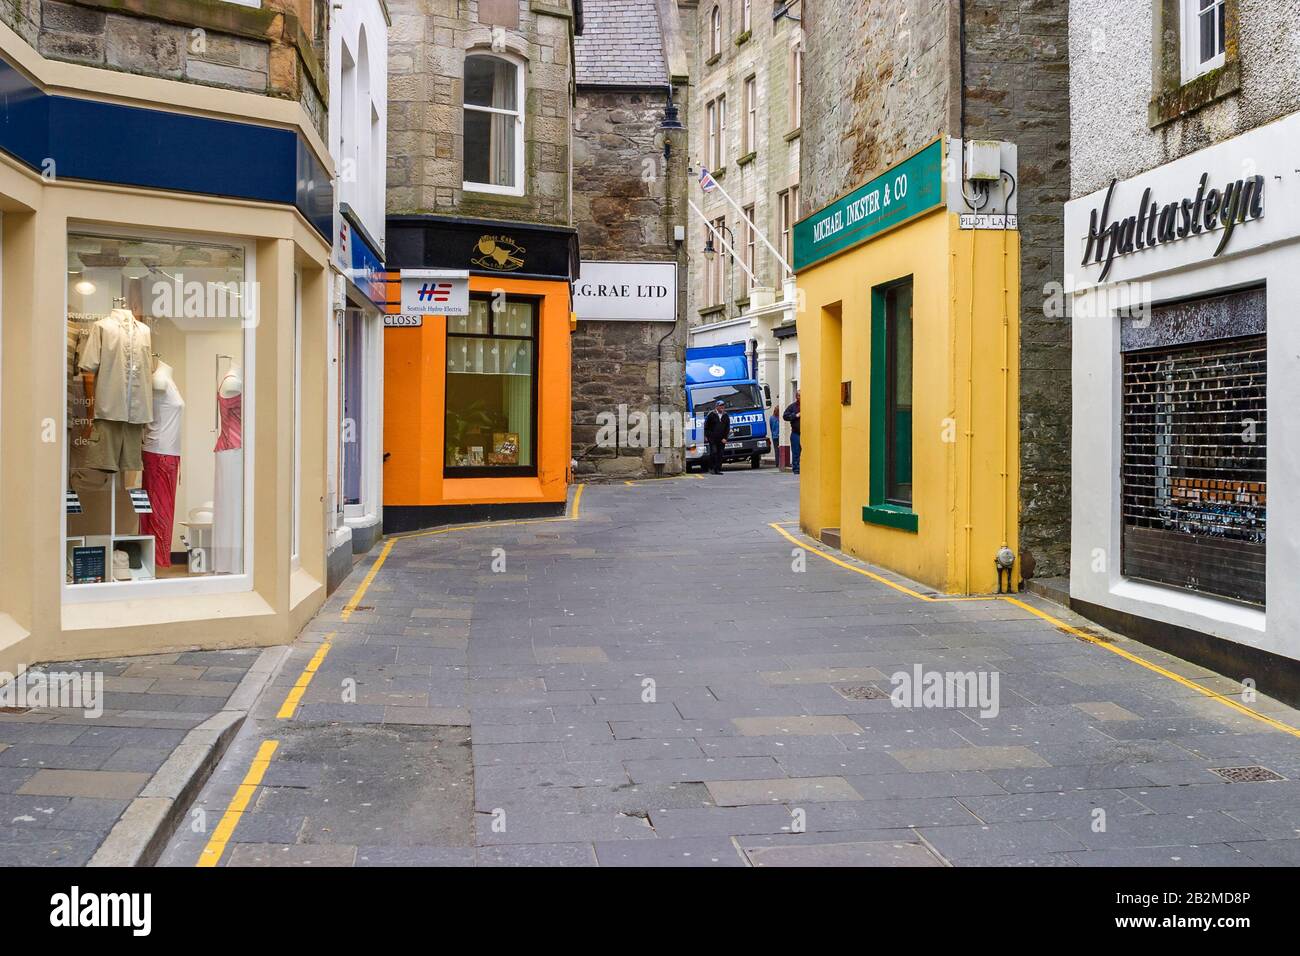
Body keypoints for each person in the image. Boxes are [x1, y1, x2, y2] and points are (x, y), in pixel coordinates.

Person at [703, 399, 731, 475]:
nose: (722, 407)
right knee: (714, 452)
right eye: (720, 406)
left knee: (720, 454)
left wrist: (725, 438)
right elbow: (706, 426)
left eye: (723, 405)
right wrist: (706, 436)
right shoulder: (711, 414)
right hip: (712, 438)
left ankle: (717, 469)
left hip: (721, 439)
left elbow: (727, 428)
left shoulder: (725, 415)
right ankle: (711, 468)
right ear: (717, 406)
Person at [783, 390, 801, 474]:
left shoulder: (807, 405)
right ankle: (796, 469)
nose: (800, 397)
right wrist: (795, 415)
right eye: (799, 396)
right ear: (796, 397)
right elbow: (785, 416)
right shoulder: (792, 407)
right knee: (796, 452)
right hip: (796, 433)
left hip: (807, 433)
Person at [769, 400, 781, 467]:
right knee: (779, 450)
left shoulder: (771, 418)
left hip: (774, 436)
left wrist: (773, 433)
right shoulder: (779, 418)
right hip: (779, 435)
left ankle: (777, 463)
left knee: (776, 450)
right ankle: (779, 463)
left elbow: (771, 427)